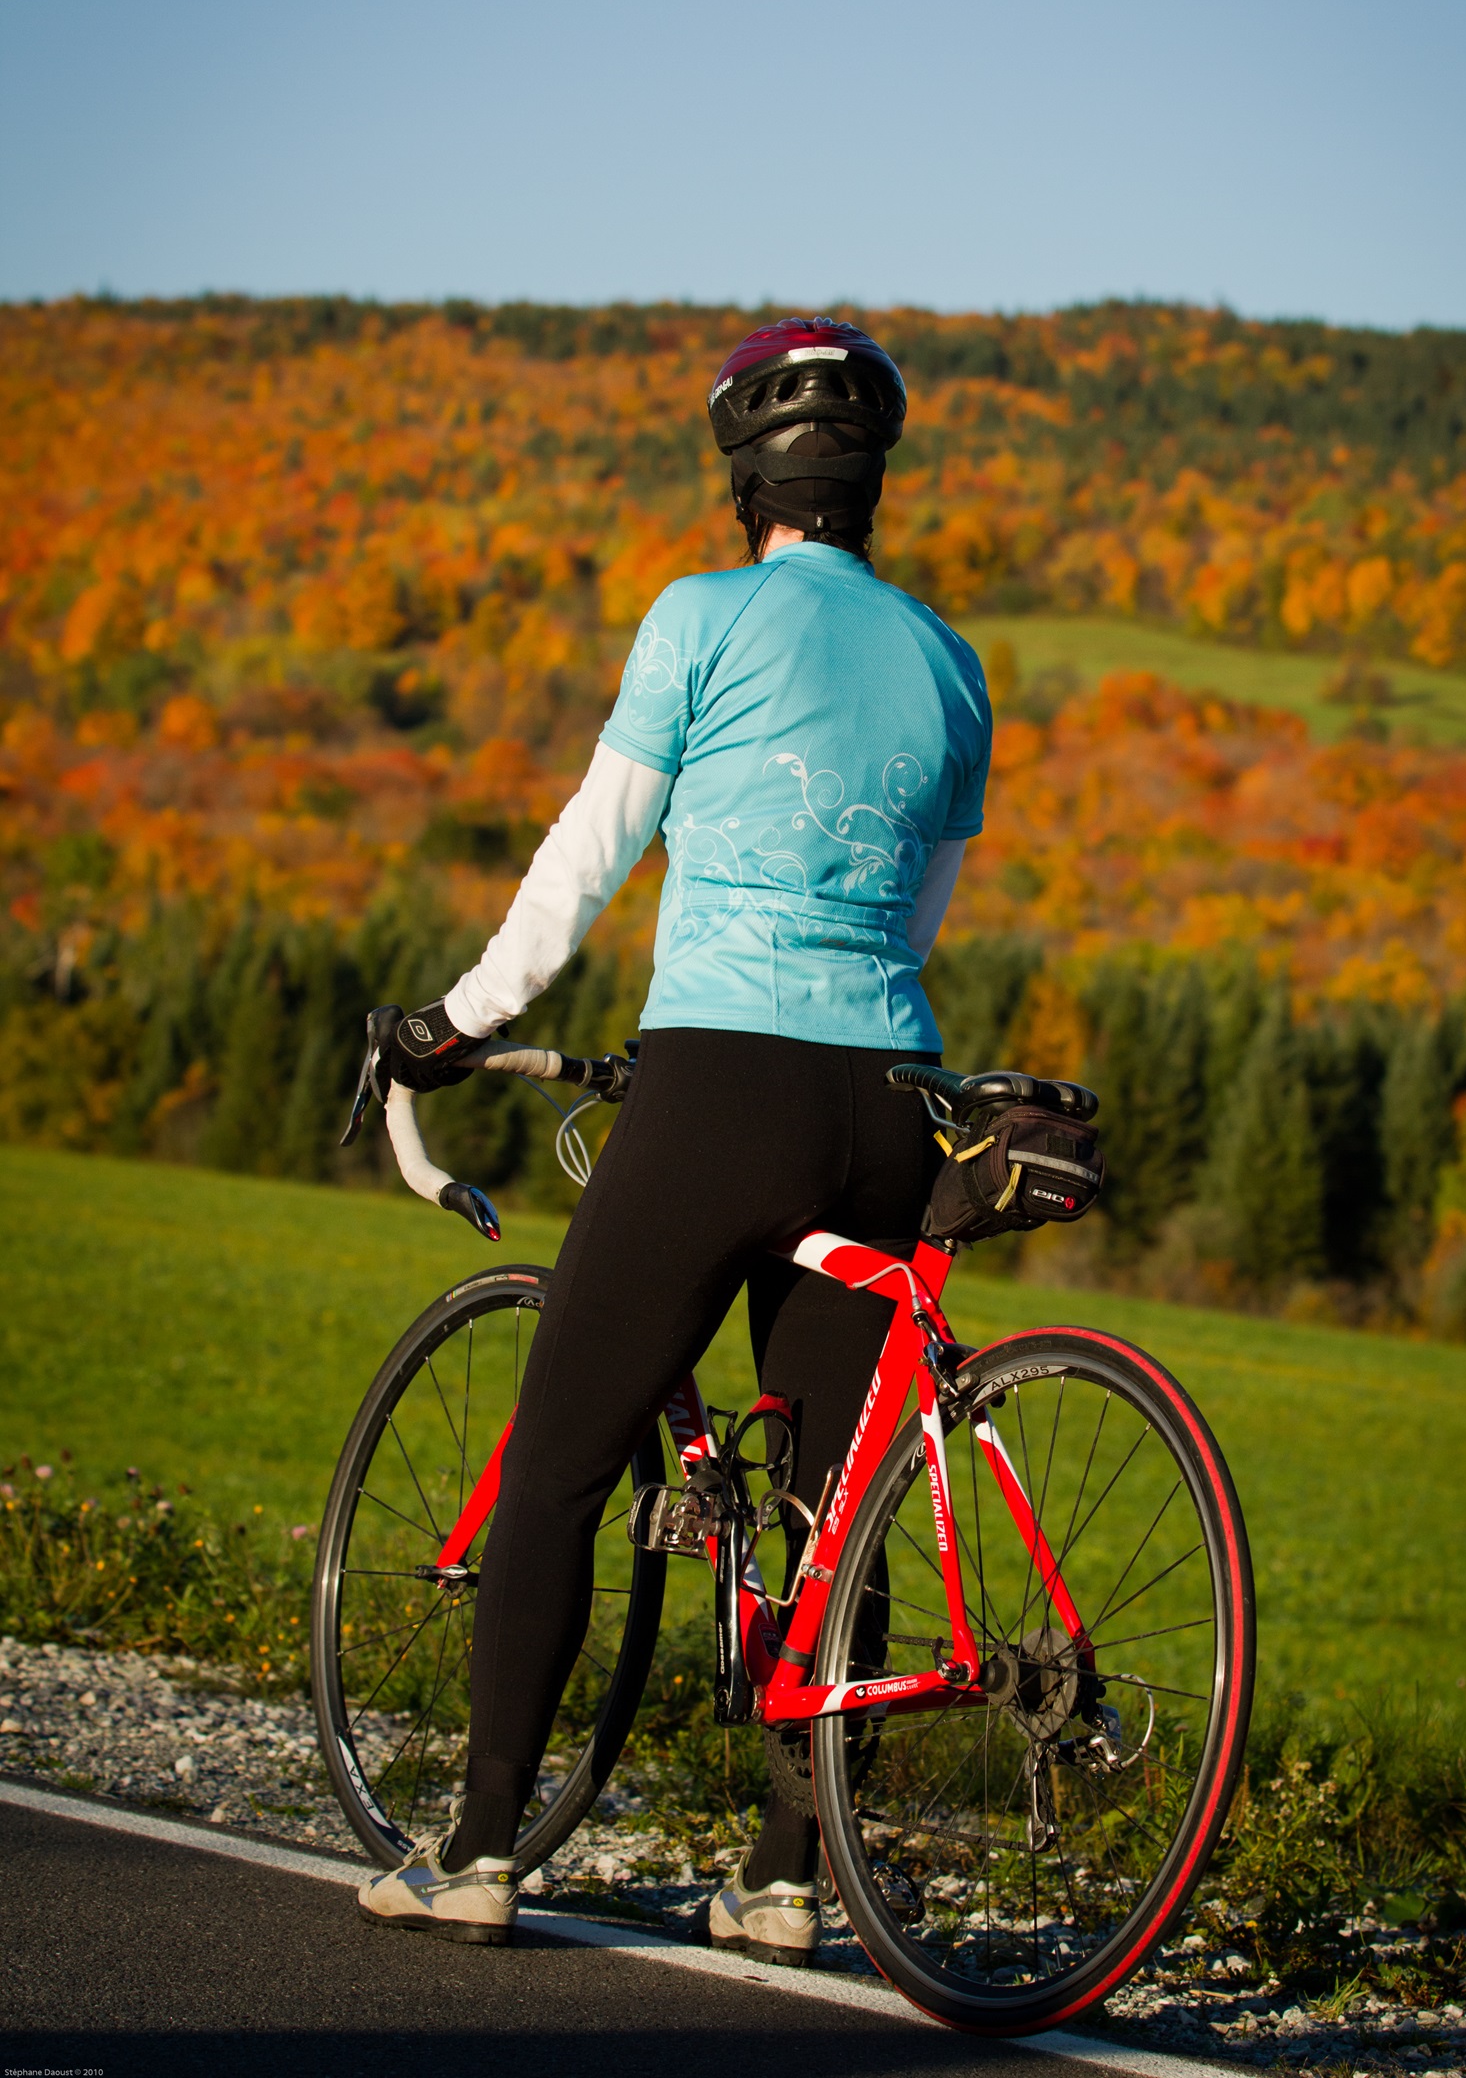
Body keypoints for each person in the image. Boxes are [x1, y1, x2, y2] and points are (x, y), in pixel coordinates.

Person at [356, 317, 993, 1958]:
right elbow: (917, 918)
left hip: (723, 1078)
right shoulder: (952, 660)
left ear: (744, 480)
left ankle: (484, 1847)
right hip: (893, 1100)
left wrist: (462, 1019)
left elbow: (589, 857)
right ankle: (791, 1875)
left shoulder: (701, 618)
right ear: (871, 485)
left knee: (564, 1460)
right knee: (825, 1500)